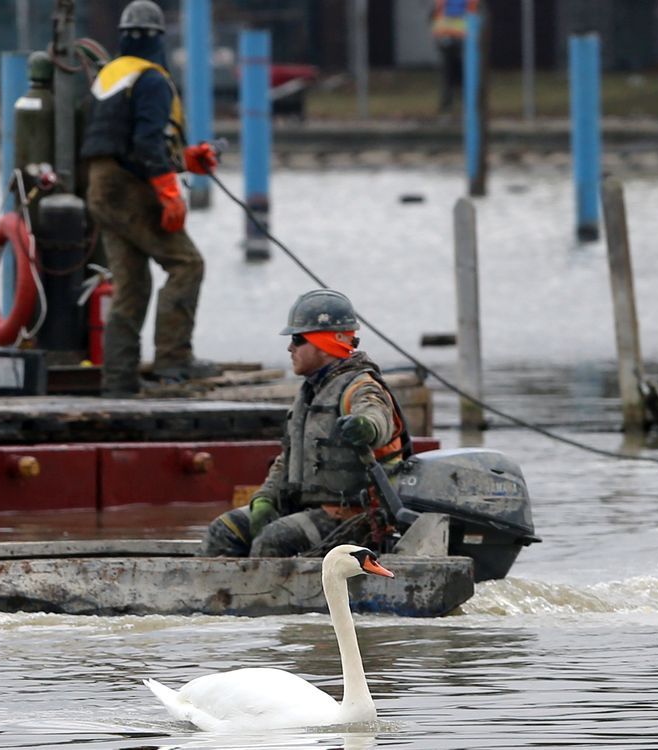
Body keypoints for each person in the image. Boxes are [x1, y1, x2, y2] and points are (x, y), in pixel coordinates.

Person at [200, 289, 413, 558]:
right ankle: (218, 598)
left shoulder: (361, 387)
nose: (290, 348)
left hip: (354, 518)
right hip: (306, 509)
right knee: (224, 530)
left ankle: (265, 601)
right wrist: (265, 498)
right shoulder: (310, 393)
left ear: (325, 345)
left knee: (274, 541)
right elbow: (287, 459)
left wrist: (366, 426)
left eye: (298, 340)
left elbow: (377, 416)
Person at [80, 0, 220, 397]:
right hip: (128, 187)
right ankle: (173, 361)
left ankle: (119, 380)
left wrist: (184, 160)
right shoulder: (153, 79)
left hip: (100, 186)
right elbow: (144, 141)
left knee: (131, 285)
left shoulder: (110, 76)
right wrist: (168, 191)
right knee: (187, 263)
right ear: (160, 39)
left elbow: (119, 138)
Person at [430, 0, 479, 114]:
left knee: (458, 73)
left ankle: (458, 103)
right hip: (453, 36)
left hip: (459, 37)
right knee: (450, 73)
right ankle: (452, 103)